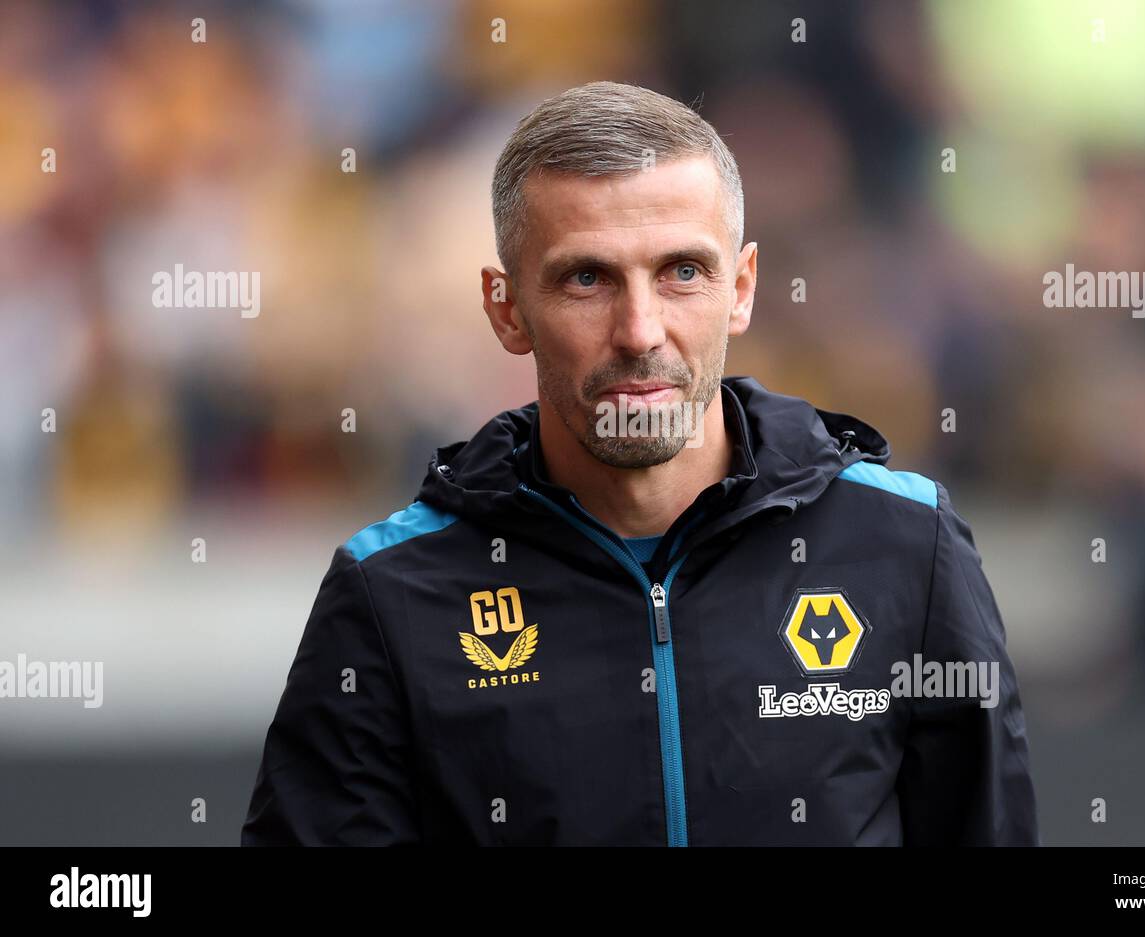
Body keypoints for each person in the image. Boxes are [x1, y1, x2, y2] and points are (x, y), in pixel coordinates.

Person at [241, 80, 1038, 846]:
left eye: (682, 272)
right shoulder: (392, 593)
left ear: (742, 287)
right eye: (587, 278)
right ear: (506, 307)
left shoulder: (905, 543)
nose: (640, 330)